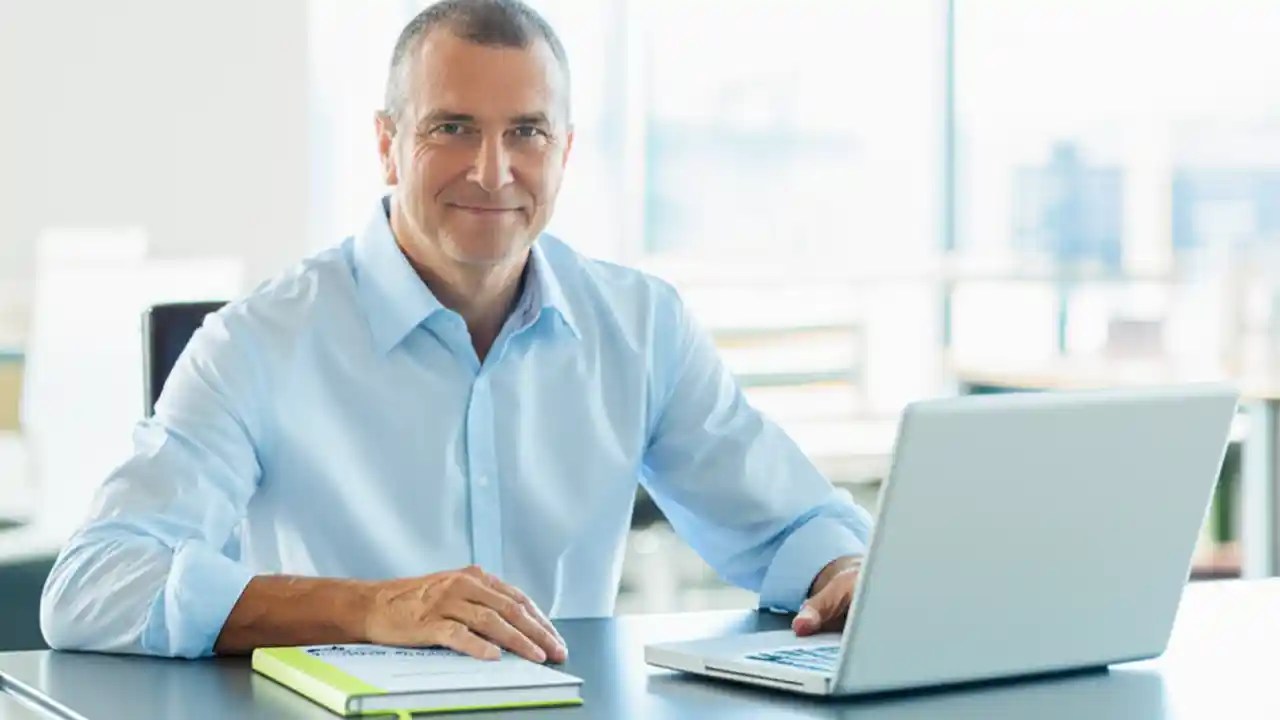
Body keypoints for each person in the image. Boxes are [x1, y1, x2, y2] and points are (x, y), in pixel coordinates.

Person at [39, 0, 873, 662]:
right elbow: (93, 586)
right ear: (387, 146)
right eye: (452, 128)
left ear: (566, 152)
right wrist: (374, 607)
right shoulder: (258, 341)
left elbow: (793, 527)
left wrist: (843, 571)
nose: (492, 170)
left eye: (527, 132)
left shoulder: (640, 326)